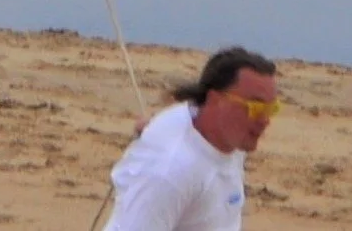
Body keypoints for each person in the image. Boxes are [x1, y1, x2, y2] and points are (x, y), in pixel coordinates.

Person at [104, 46, 280, 231]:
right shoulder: (169, 171)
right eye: (256, 108)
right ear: (215, 100)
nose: (265, 121)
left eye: (272, 109)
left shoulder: (229, 136)